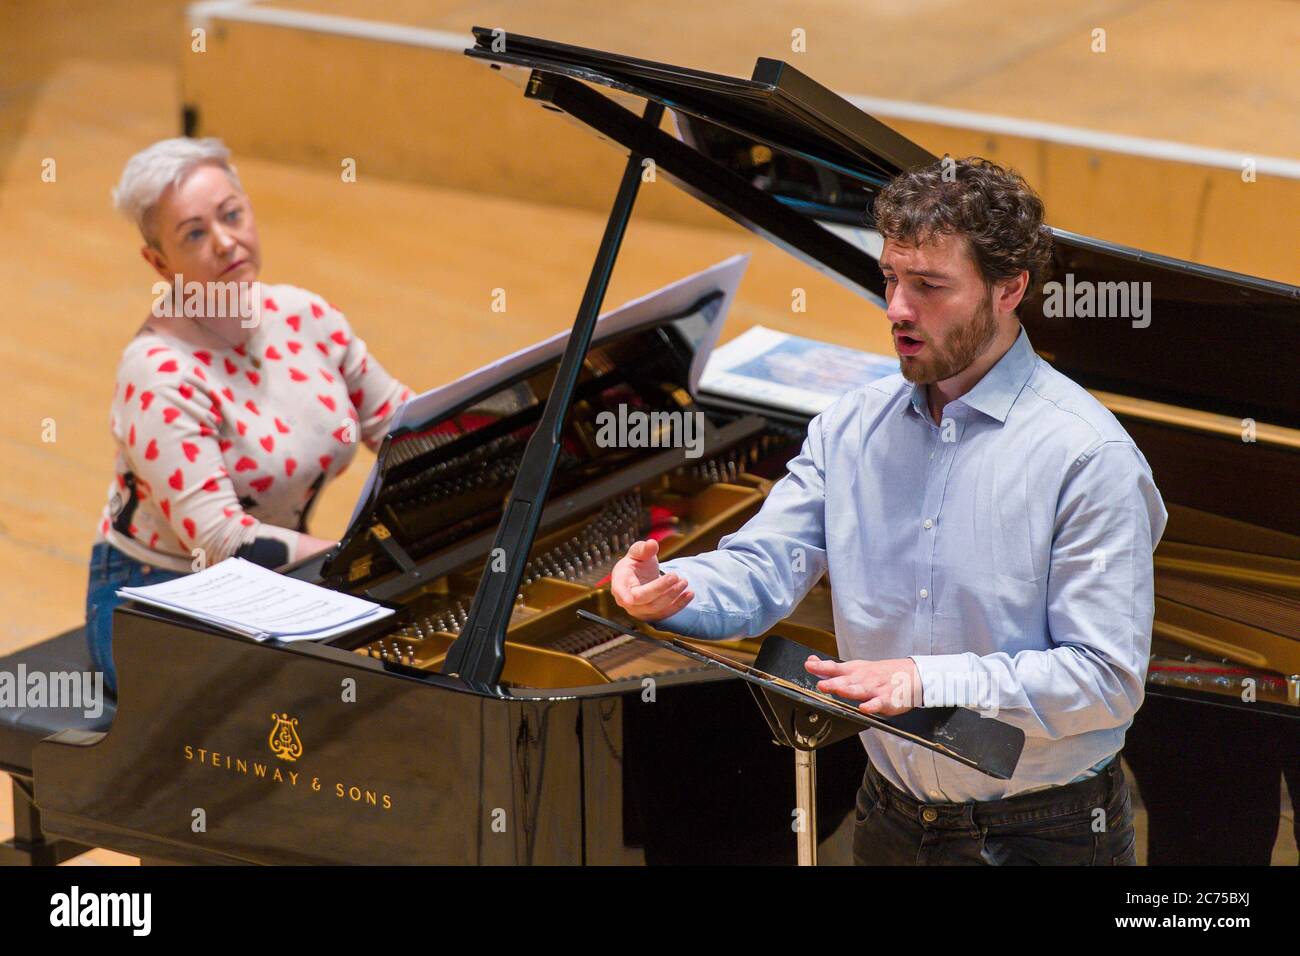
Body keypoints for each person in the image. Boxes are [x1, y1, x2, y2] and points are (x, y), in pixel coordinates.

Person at [610, 157, 1168, 865]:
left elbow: (1104, 681)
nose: (897, 309)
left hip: (1043, 833)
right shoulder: (849, 428)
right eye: (891, 279)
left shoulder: (1088, 458)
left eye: (929, 286)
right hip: (892, 818)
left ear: (1009, 289)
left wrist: (925, 679)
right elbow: (763, 566)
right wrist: (675, 592)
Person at [87, 137, 413, 695]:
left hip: (287, 572)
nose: (224, 241)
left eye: (232, 214)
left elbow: (401, 424)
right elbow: (217, 539)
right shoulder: (157, 372)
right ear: (159, 262)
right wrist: (356, 562)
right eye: (194, 233)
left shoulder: (305, 314)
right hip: (163, 595)